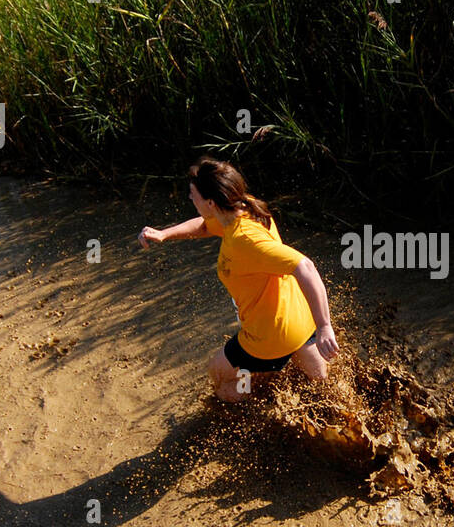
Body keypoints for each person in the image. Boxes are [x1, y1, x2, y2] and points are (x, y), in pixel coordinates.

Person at [138, 157, 339, 402]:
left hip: (269, 335)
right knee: (326, 391)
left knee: (220, 378)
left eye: (193, 194)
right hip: (300, 319)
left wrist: (326, 325)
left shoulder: (244, 240)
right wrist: (164, 234)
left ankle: (266, 408)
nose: (190, 198)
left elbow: (305, 266)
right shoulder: (245, 207)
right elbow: (204, 226)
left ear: (211, 203)